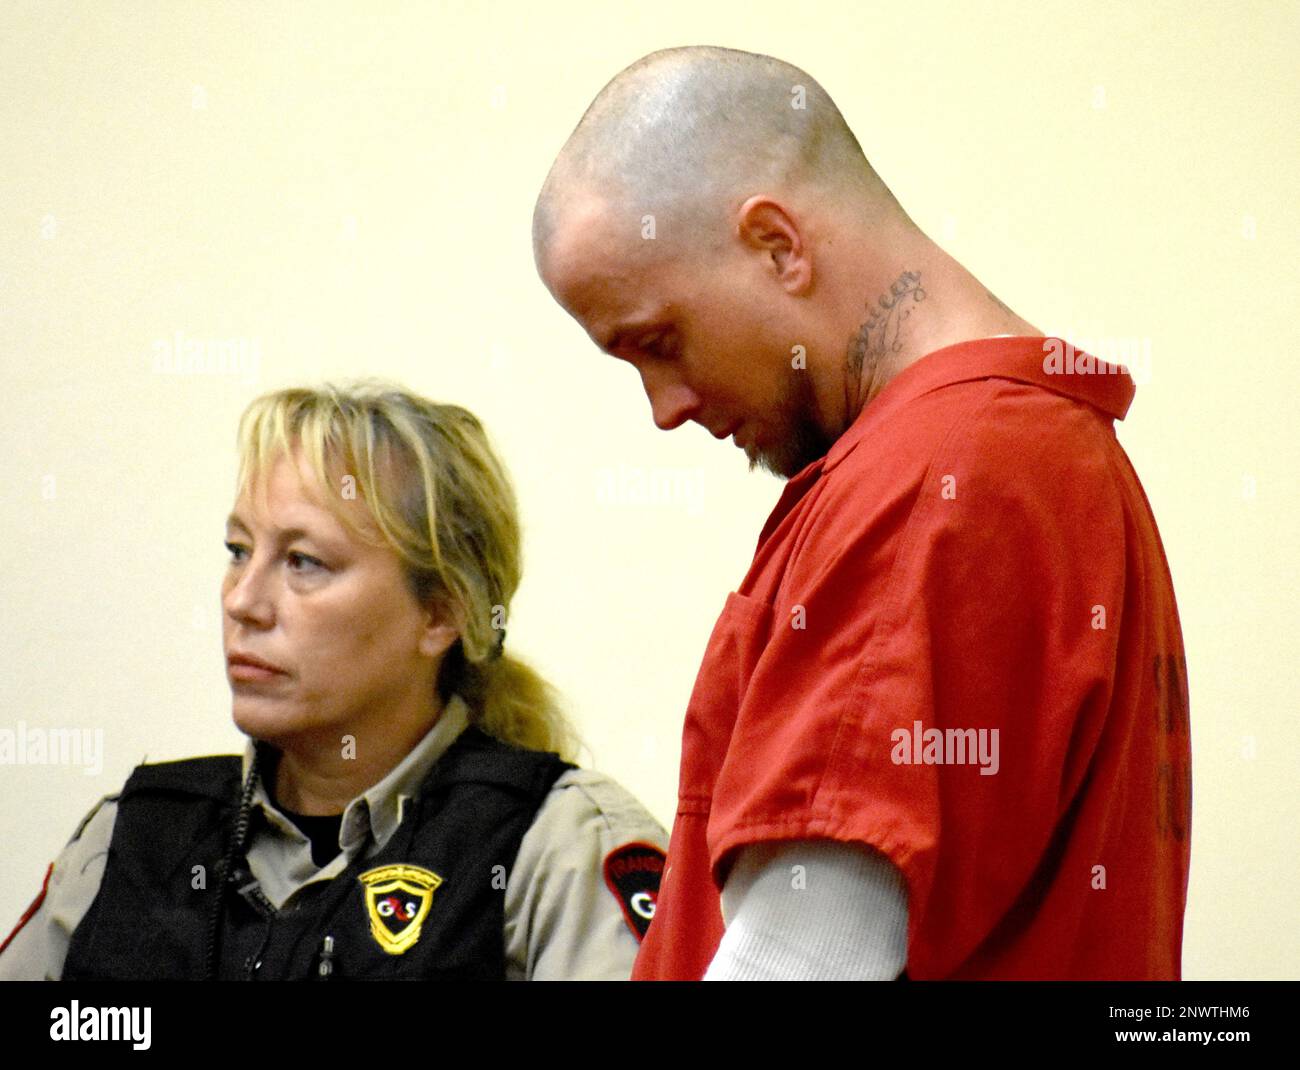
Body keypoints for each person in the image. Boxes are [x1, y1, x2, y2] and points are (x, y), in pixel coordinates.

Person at [531, 46, 1191, 980]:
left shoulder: (937, 480)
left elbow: (802, 960)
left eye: (658, 341)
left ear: (778, 245)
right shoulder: (1036, 453)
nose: (664, 407)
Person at [0, 381, 667, 980]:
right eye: (238, 551)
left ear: (440, 613)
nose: (243, 601)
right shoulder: (131, 838)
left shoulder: (559, 846)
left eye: (303, 561)